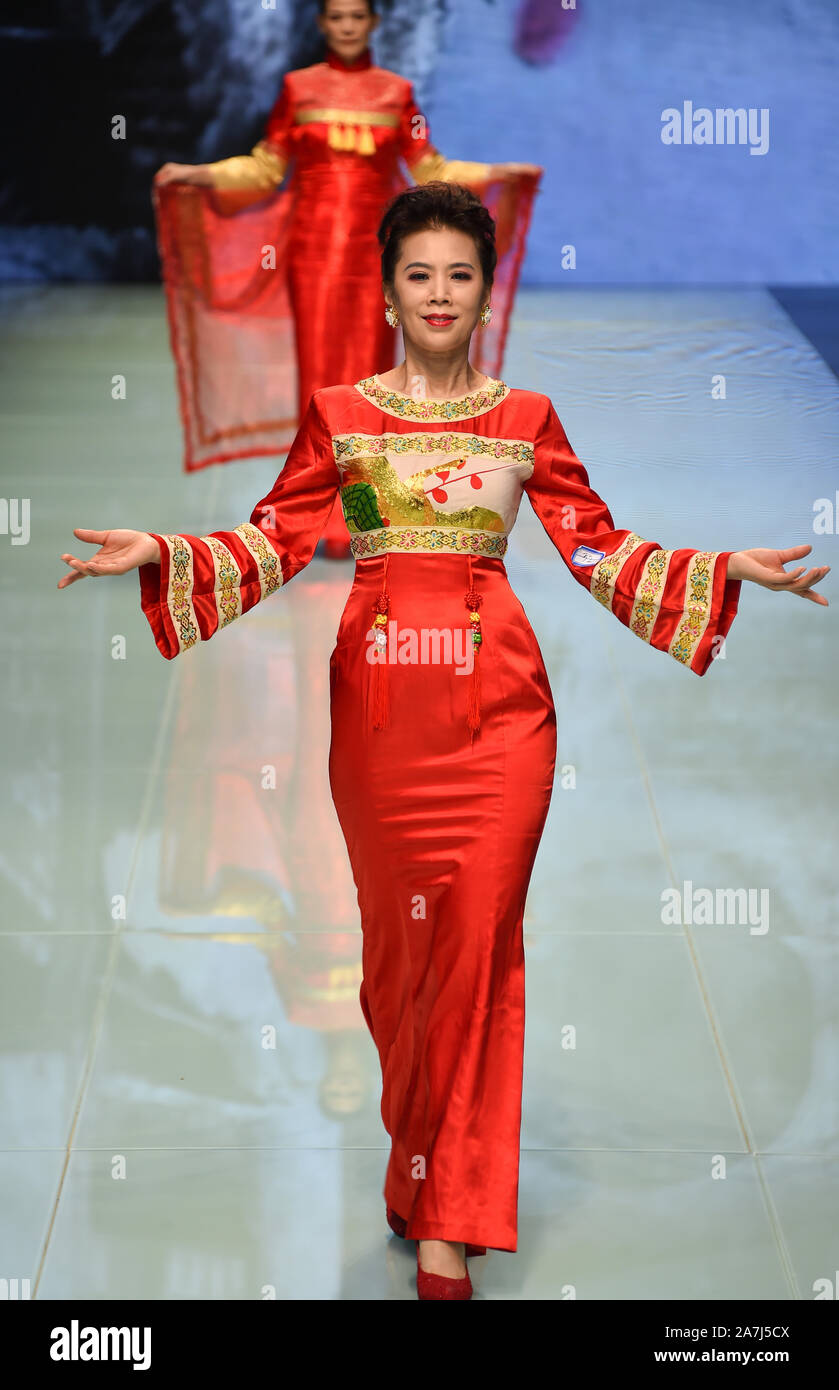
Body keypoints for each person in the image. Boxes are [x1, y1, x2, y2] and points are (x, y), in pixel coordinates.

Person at [58, 181, 829, 1301]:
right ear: (385, 291)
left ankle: (445, 1226)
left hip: (500, 719)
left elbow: (596, 548)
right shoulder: (340, 413)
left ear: (482, 295)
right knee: (394, 968)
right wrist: (163, 553)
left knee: (474, 955)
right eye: (417, 274)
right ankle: (419, 1160)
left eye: (457, 275)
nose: (436, 293)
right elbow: (276, 540)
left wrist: (720, 571)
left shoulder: (526, 419)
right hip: (377, 718)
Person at [153, 0, 542, 558]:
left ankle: (364, 513)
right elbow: (266, 168)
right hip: (310, 256)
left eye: (357, 17)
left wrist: (493, 175)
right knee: (318, 384)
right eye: (337, 18)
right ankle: (311, 516)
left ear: (373, 24)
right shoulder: (298, 88)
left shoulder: (396, 93)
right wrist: (199, 174)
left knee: (368, 379)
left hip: (372, 259)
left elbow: (429, 169)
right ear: (322, 25)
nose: (347, 27)